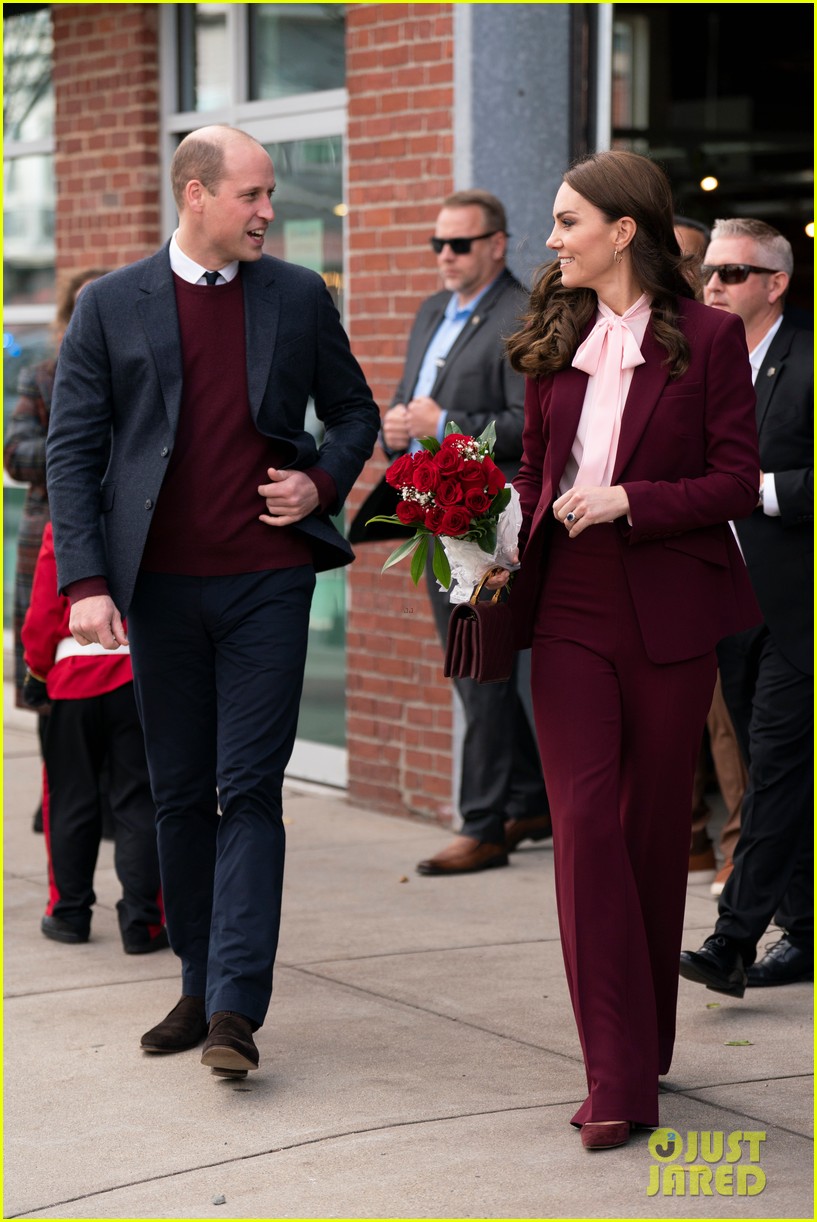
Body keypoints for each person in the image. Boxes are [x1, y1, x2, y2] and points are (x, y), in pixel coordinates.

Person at [45, 125, 380, 1077]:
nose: (269, 211)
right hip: (157, 592)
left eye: (269, 195)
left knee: (251, 789)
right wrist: (86, 583)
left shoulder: (297, 294)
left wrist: (321, 482)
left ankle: (235, 1006)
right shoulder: (111, 304)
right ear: (195, 195)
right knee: (181, 793)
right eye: (252, 195)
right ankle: (197, 982)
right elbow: (73, 450)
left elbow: (353, 412)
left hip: (265, 583)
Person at [491, 150, 761, 1149]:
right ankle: (614, 1075)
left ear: (623, 230)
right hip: (566, 603)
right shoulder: (551, 334)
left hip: (666, 610)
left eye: (568, 221)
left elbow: (734, 482)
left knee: (650, 833)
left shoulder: (710, 337)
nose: (552, 238)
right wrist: (484, 533)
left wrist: (628, 500)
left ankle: (645, 1039)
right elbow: (533, 474)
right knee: (585, 827)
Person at [349, 189, 550, 875]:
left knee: (481, 667)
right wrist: (395, 426)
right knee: (470, 670)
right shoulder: (432, 309)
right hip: (433, 516)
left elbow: (530, 426)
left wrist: (443, 424)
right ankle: (528, 799)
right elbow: (409, 400)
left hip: (490, 524)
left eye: (459, 244)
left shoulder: (522, 315)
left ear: (496, 244)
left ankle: (483, 824)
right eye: (438, 243)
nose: (445, 255)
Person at [680, 219, 813, 993]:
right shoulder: (702, 364)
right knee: (773, 770)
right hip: (724, 603)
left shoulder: (808, 358)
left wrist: (757, 490)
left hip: (798, 607)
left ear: (775, 283)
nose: (714, 285)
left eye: (732, 273)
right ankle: (802, 931)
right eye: (709, 272)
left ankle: (732, 941)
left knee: (776, 767)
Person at [21, 523, 166, 953]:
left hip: (72, 678)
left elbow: (44, 606)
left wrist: (37, 669)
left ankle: (69, 913)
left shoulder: (68, 524)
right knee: (140, 801)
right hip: (139, 674)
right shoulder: (154, 512)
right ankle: (144, 922)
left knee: (69, 799)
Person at [4, 268, 109, 833]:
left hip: (118, 544)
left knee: (115, 676)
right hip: (48, 547)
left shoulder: (134, 373)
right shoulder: (42, 377)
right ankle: (59, 800)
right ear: (69, 317)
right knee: (46, 677)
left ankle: (112, 801)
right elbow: (15, 453)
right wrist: (76, 447)